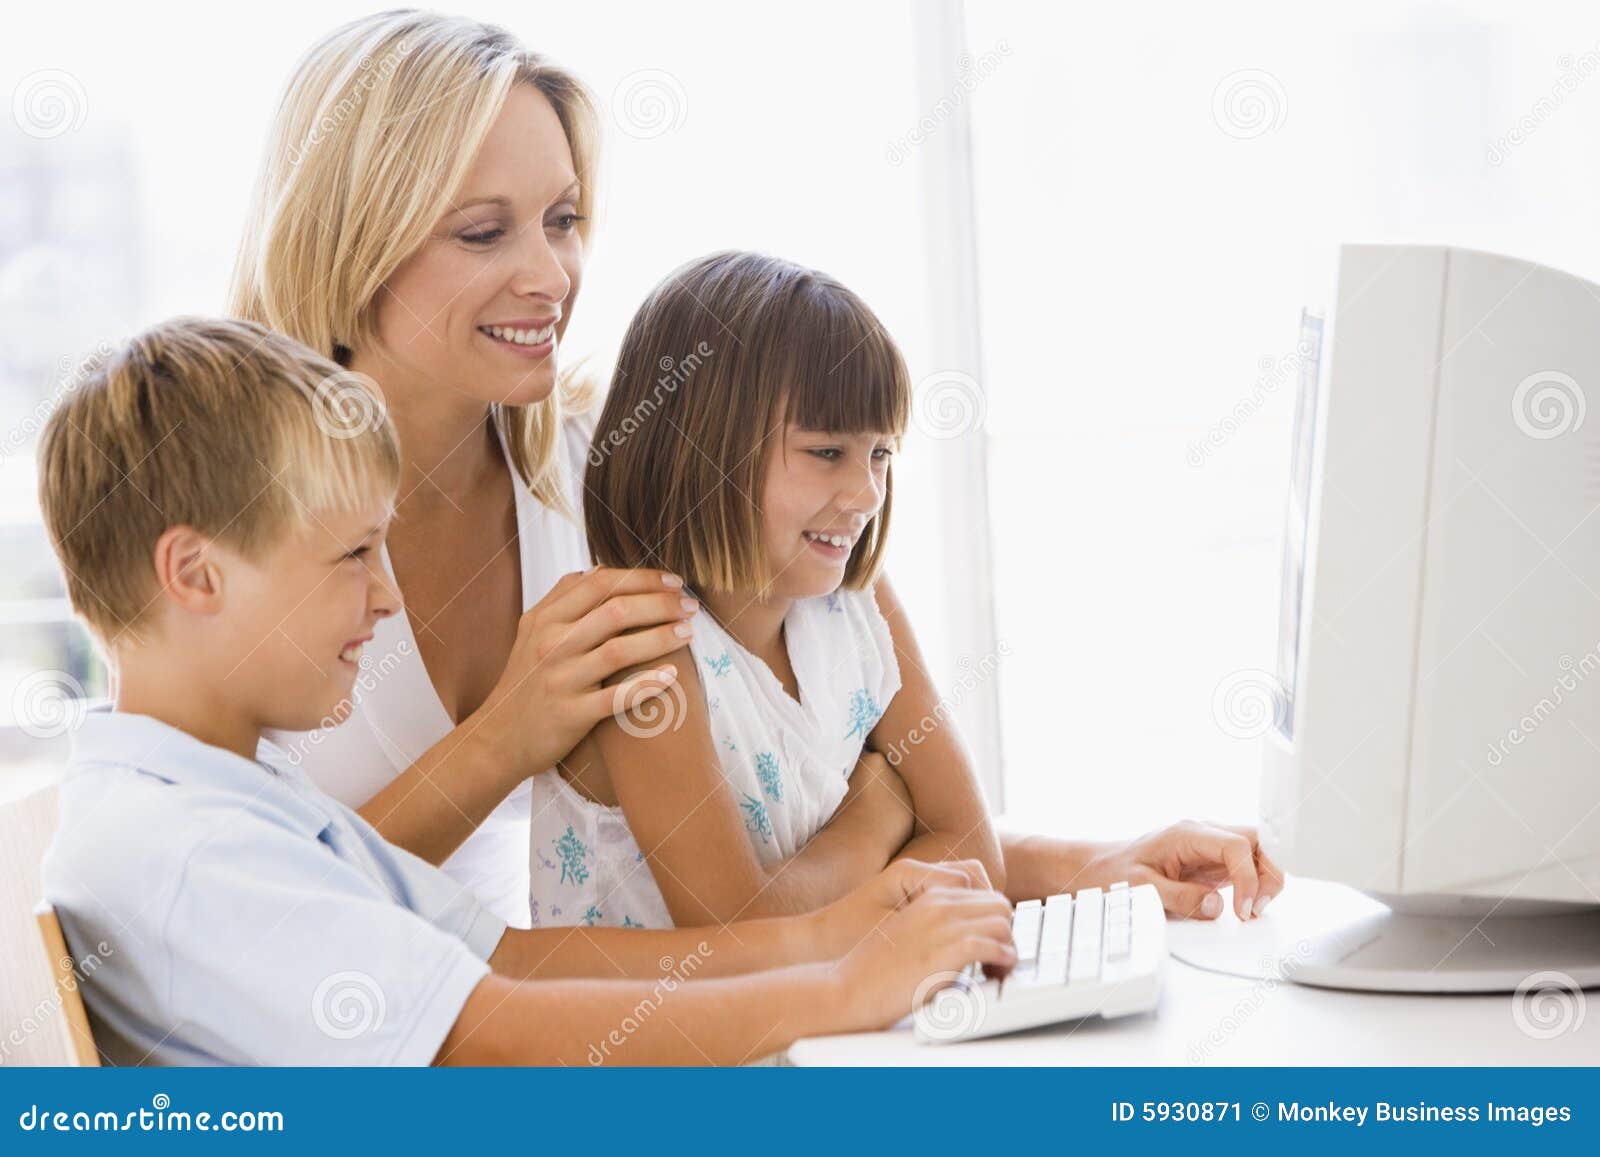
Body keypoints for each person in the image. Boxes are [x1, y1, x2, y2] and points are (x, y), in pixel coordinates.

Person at [231, 9, 1283, 933]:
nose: (551, 276)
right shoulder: (223, 524)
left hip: (557, 1000)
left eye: (563, 220)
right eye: (481, 231)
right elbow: (244, 921)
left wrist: (1090, 866)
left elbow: (766, 813)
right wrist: (504, 737)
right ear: (348, 236)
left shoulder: (609, 463)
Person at [35, 316, 1015, 1065]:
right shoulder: (188, 850)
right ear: (196, 575)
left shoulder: (230, 796)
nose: (386, 594)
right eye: (351, 555)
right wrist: (841, 987)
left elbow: (506, 959)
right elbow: (485, 1033)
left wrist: (822, 935)